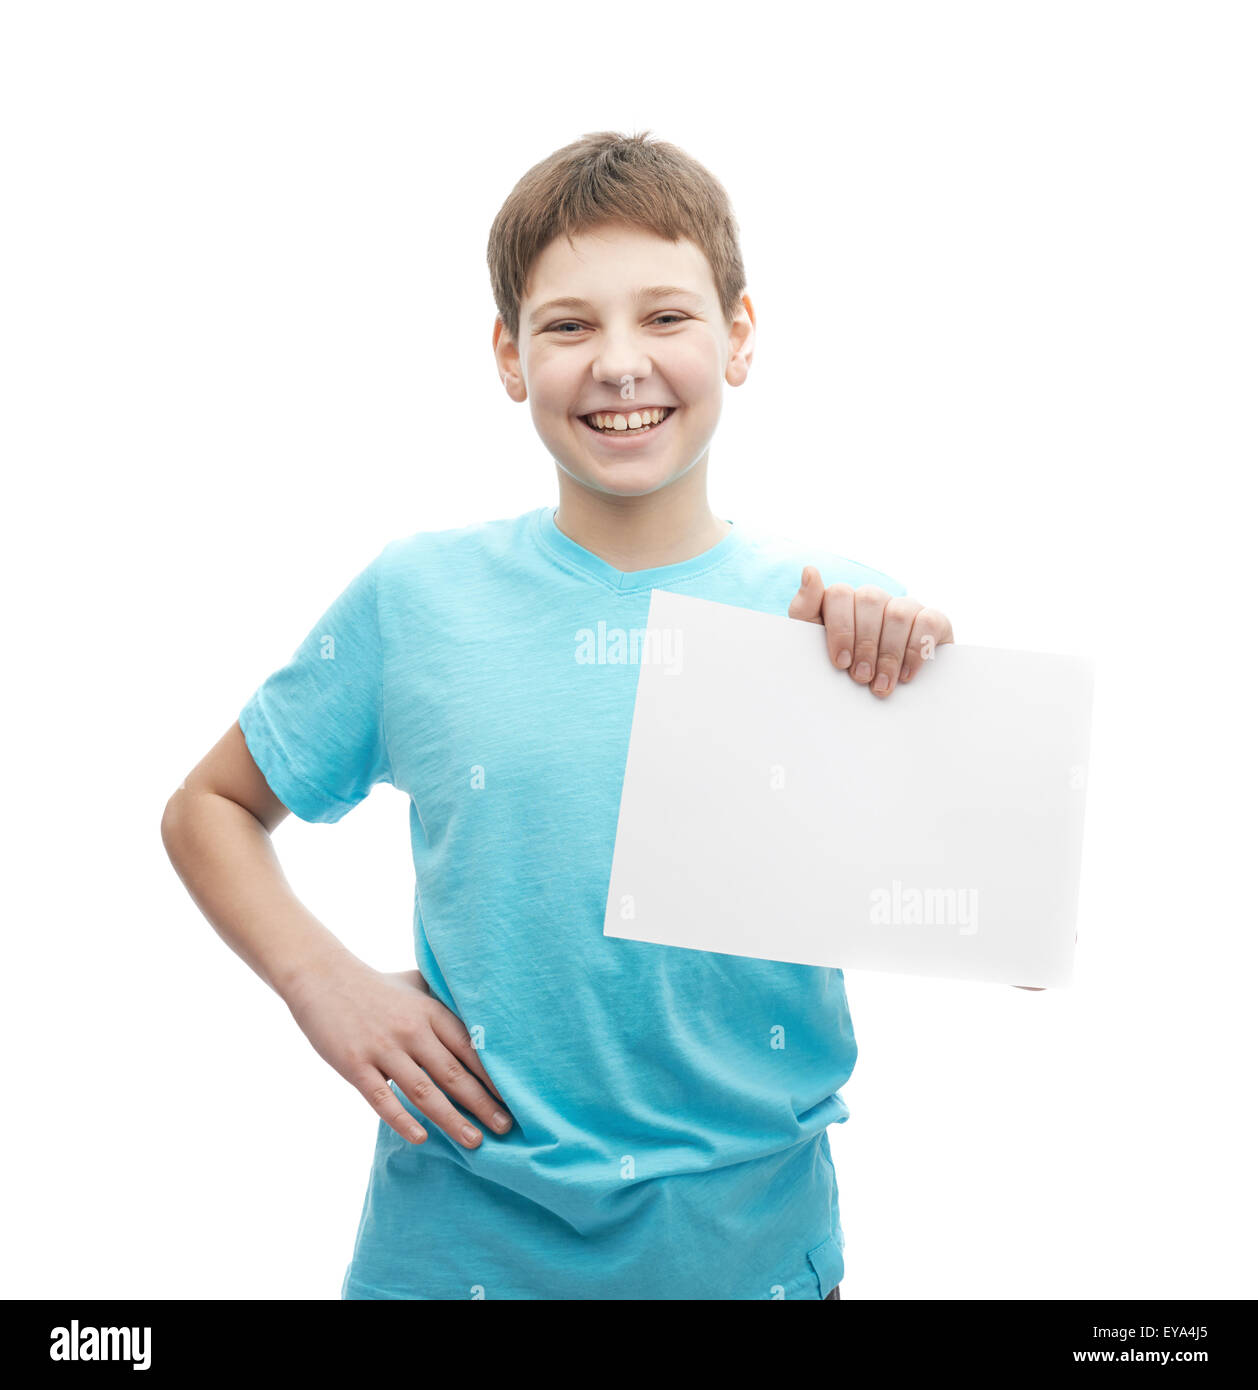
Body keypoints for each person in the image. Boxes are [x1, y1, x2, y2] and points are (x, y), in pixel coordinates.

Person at [161, 129, 958, 1300]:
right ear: (508, 353)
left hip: (754, 1263)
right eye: (570, 324)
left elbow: (1016, 941)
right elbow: (210, 805)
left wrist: (908, 720)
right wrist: (319, 981)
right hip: (456, 1257)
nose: (620, 363)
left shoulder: (840, 614)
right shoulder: (418, 596)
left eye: (667, 318)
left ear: (739, 336)